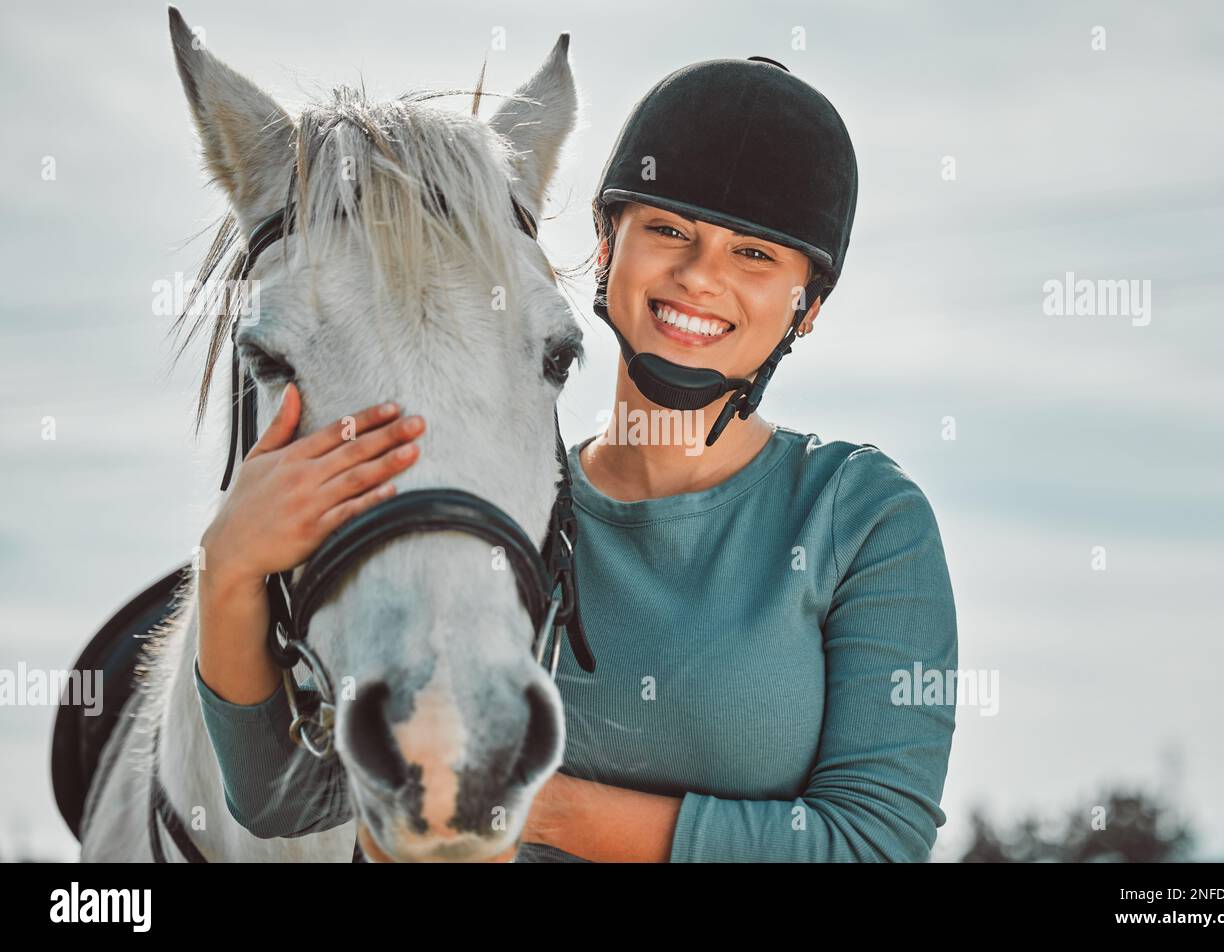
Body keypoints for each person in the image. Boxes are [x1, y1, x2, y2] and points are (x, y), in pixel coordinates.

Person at [195, 55, 959, 862]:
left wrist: (529, 805)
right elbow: (290, 800)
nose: (700, 277)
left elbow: (875, 845)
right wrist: (229, 568)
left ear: (807, 309)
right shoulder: (486, 508)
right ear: (605, 246)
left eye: (756, 256)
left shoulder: (864, 518)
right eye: (669, 231)